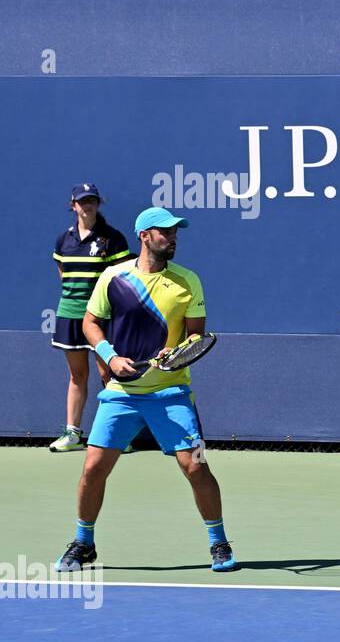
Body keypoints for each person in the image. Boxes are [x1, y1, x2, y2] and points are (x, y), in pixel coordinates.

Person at [55, 207, 236, 573]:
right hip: (121, 394)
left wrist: (179, 352)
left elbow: (197, 336)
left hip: (171, 393)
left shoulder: (187, 281)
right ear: (144, 236)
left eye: (175, 233)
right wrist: (110, 355)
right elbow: (90, 323)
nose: (173, 238)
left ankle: (219, 542)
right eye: (165, 232)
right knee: (92, 469)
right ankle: (83, 542)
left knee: (196, 467)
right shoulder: (113, 277)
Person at [49, 183, 132, 452]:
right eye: (82, 201)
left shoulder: (113, 238)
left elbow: (122, 278)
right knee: (77, 375)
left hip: (101, 317)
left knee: (107, 373)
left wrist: (100, 305)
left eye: (92, 201)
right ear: (73, 205)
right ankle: (73, 434)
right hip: (69, 315)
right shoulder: (63, 240)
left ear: (98, 204)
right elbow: (63, 271)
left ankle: (118, 436)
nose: (88, 205)